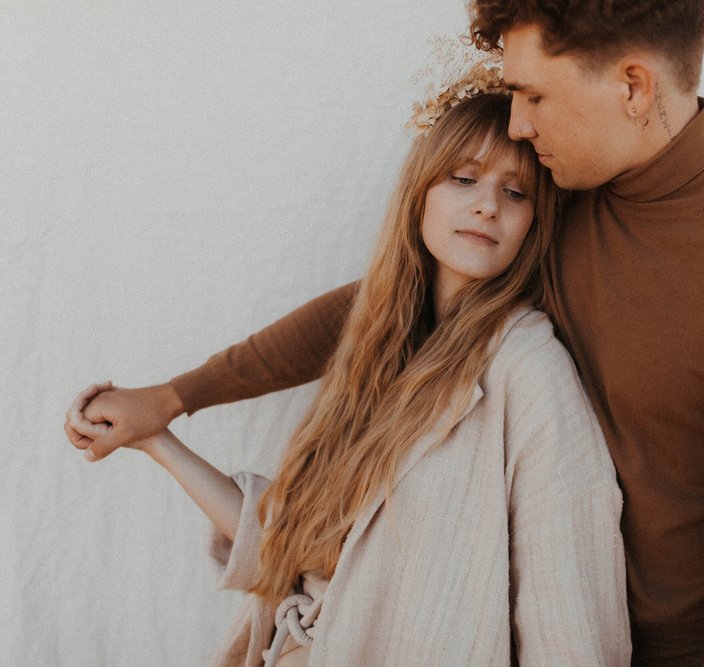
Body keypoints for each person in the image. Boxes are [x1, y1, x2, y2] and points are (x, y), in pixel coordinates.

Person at [68, 1, 704, 664]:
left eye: (534, 94)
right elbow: (384, 301)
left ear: (632, 85)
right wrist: (177, 397)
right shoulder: (561, 204)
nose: (517, 123)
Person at [71, 86, 631, 666]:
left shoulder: (529, 372)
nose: (488, 205)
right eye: (463, 179)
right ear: (420, 195)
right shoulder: (380, 354)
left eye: (515, 193)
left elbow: (570, 615)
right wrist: (156, 439)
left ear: (532, 226)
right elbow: (289, 552)